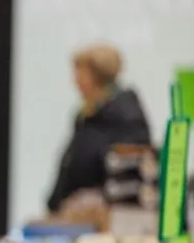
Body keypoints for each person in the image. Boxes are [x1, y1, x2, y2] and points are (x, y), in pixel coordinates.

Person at [47, 43, 152, 214]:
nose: (75, 80)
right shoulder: (86, 115)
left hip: (106, 215)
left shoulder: (126, 116)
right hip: (71, 211)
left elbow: (129, 172)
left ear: (97, 75)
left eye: (81, 73)